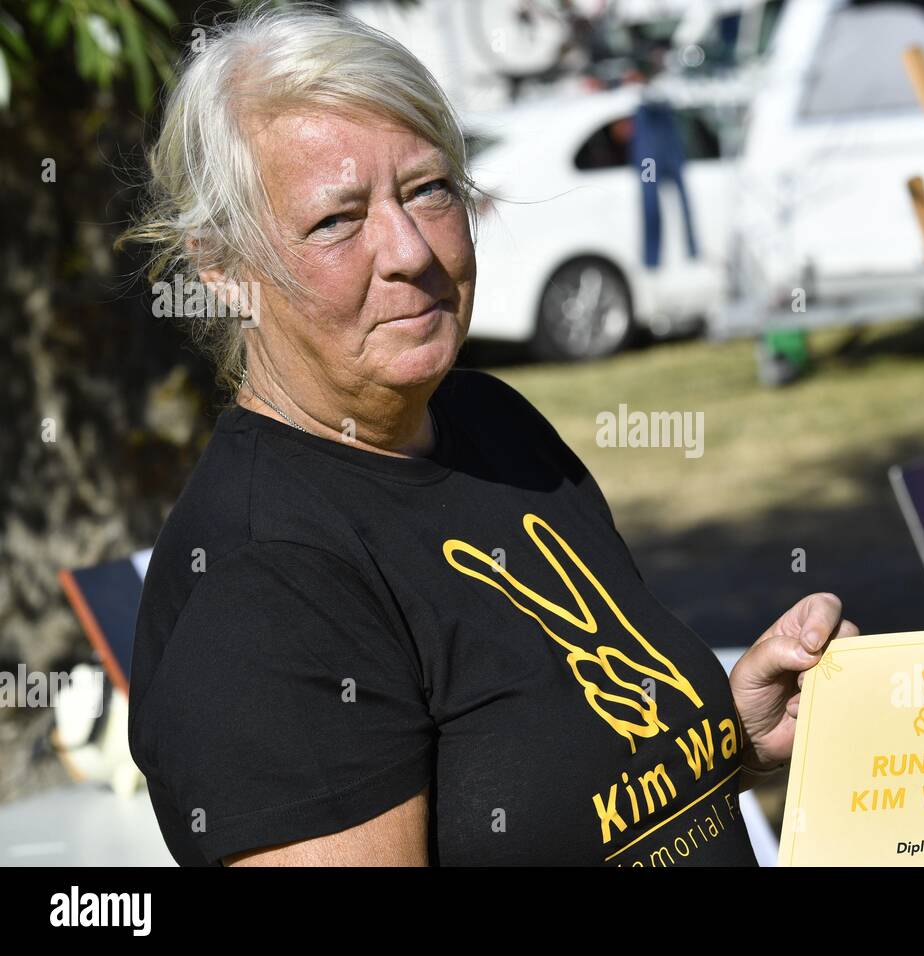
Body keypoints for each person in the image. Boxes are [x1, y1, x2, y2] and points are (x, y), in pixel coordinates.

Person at [117, 3, 855, 867]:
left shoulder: (492, 426)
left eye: (428, 189)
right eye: (337, 219)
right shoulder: (267, 583)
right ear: (226, 274)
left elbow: (568, 805)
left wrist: (728, 743)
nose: (408, 250)